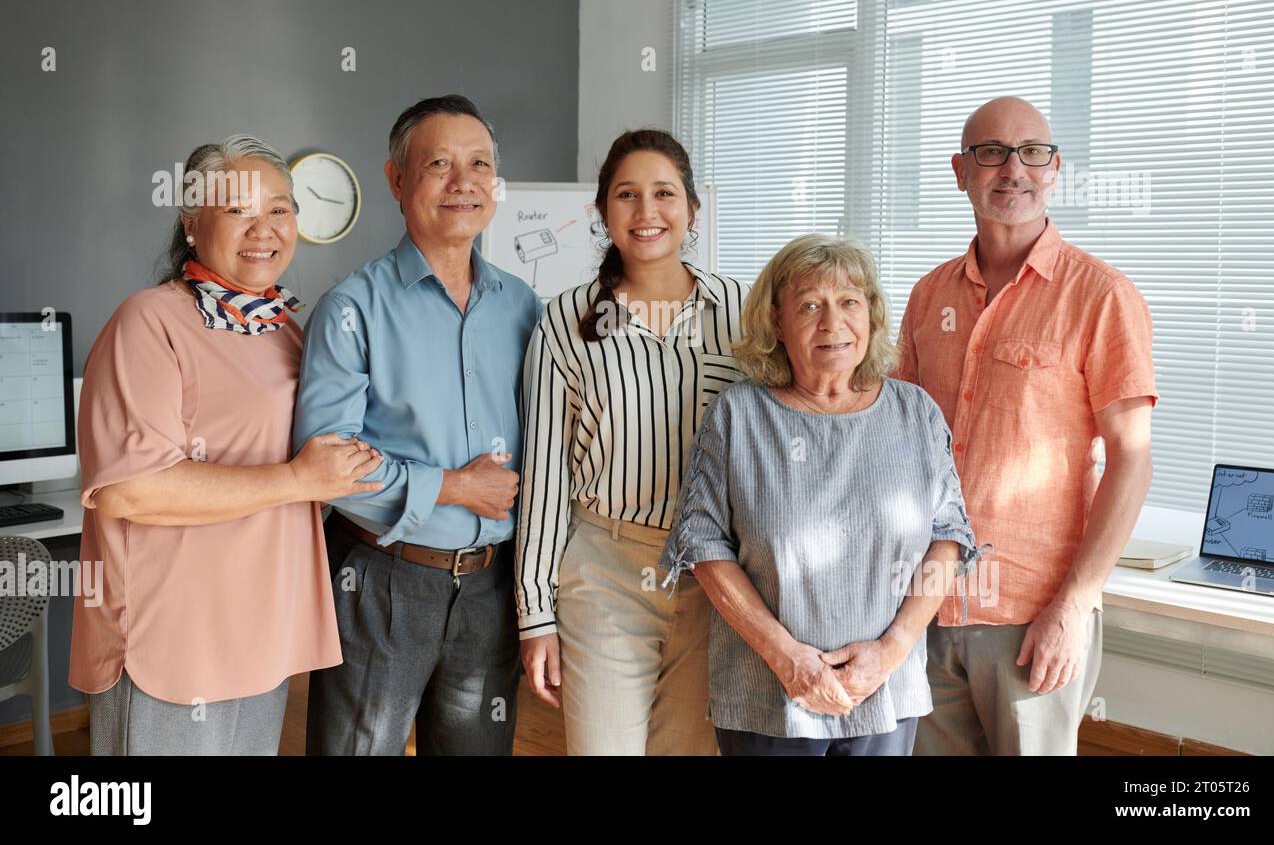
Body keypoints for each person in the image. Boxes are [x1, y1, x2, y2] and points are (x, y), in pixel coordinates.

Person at [70, 134, 384, 755]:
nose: (263, 227)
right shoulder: (149, 321)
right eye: (238, 208)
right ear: (191, 223)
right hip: (174, 640)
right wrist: (299, 481)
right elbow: (132, 489)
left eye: (279, 208)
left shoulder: (282, 329)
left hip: (260, 631)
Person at [896, 96, 1157, 756]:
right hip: (925, 607)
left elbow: (1132, 459)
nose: (1013, 169)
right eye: (991, 152)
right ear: (961, 171)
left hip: (1033, 617)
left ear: (1055, 168)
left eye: (1031, 152)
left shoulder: (1100, 296)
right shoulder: (930, 297)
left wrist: (1074, 606)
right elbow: (897, 442)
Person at [657, 234, 982, 756]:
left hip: (884, 690)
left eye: (849, 301)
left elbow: (949, 539)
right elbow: (701, 545)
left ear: (871, 316)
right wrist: (787, 658)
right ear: (776, 323)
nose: (833, 322)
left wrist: (890, 651)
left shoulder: (915, 412)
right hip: (768, 694)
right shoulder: (739, 415)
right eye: (809, 305)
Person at [294, 94, 542, 755]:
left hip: (493, 587)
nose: (464, 183)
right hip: (381, 582)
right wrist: (454, 488)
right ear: (397, 180)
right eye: (439, 165)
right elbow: (326, 470)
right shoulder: (352, 308)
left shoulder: (524, 308)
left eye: (480, 165)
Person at [514, 128, 747, 755]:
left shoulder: (745, 314)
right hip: (605, 579)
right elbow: (544, 477)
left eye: (664, 194)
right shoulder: (565, 321)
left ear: (693, 211)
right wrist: (535, 615)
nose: (647, 213)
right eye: (627, 195)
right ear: (601, 213)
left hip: (715, 584)